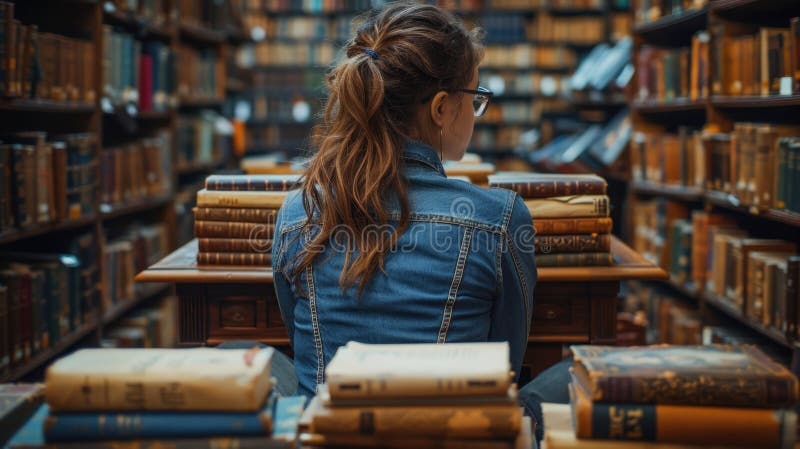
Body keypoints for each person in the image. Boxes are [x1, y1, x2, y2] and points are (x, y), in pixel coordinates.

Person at [271, 1, 547, 442]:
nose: (476, 114)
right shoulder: (500, 218)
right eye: (474, 100)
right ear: (441, 108)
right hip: (451, 436)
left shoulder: (297, 212)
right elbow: (504, 367)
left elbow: (297, 335)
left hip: (326, 436)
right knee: (568, 377)